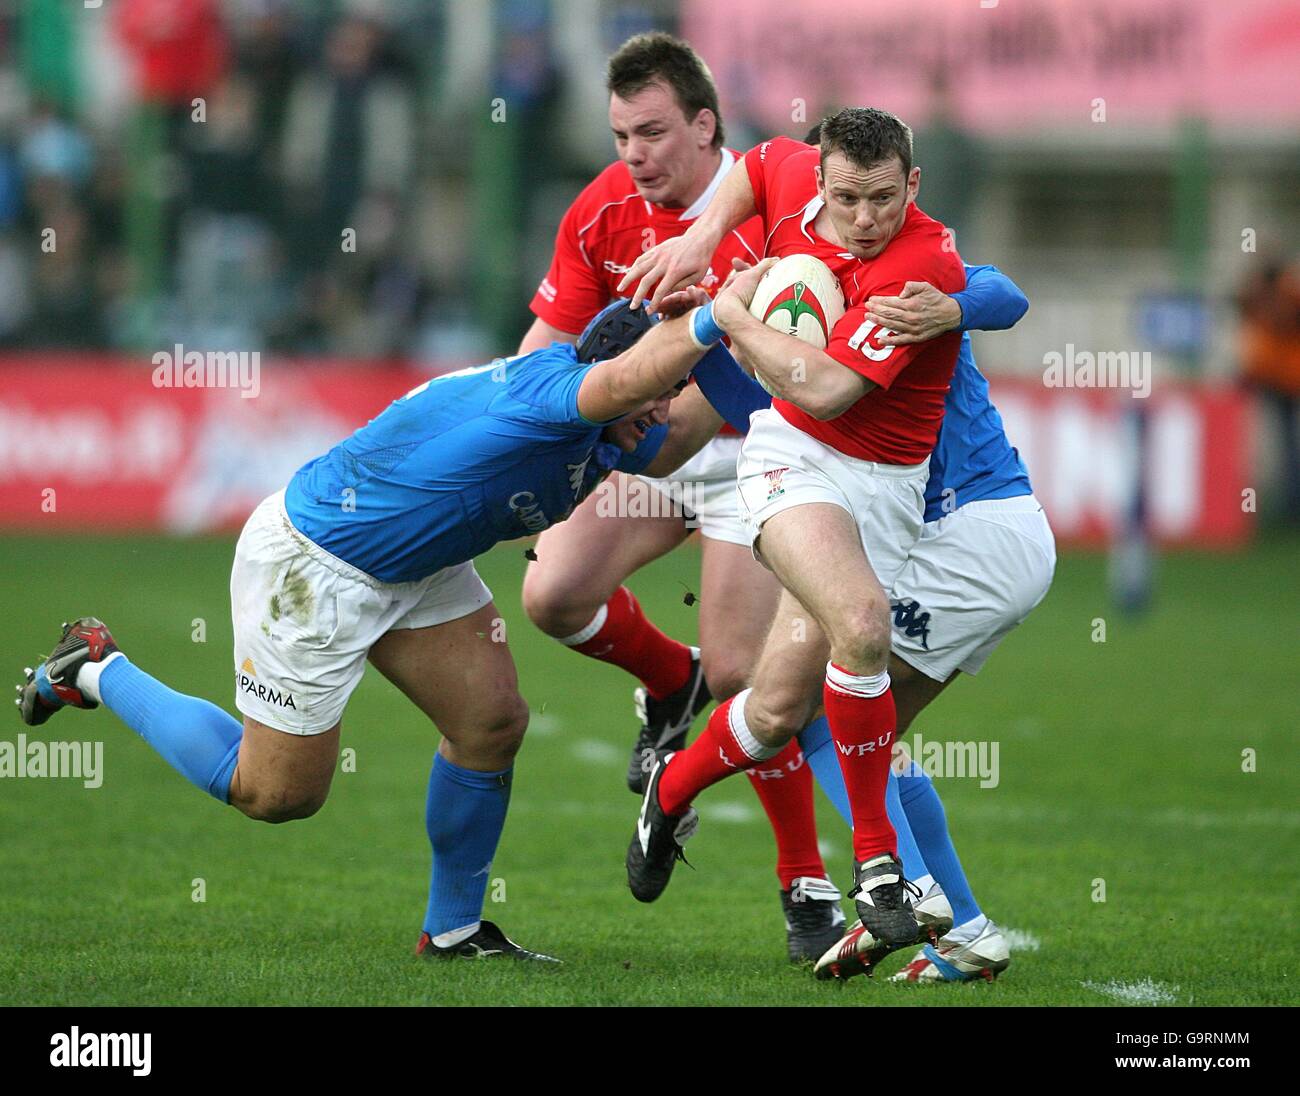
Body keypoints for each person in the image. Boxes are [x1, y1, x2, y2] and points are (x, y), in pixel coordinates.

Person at [13, 284, 757, 964]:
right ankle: (95, 667)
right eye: (659, 391)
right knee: (275, 795)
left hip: (418, 565)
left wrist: (753, 348)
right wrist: (713, 314)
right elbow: (627, 384)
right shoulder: (559, 393)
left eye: (671, 392)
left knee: (492, 722)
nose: (662, 408)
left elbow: (672, 439)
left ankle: (453, 932)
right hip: (317, 564)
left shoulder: (615, 421)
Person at [517, 32, 845, 962]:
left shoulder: (781, 208)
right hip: (647, 451)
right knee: (552, 594)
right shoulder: (600, 208)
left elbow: (749, 394)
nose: (634, 154)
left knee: (747, 676)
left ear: (706, 126)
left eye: (652, 133)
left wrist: (666, 414)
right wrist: (513, 445)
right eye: (621, 135)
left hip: (753, 460)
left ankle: (804, 883)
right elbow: (542, 353)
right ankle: (671, 679)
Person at [619, 106, 966, 958]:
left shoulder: (922, 265)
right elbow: (754, 168)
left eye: (884, 198)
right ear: (819, 180)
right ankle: (879, 865)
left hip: (884, 488)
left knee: (776, 709)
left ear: (913, 185)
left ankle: (670, 790)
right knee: (864, 626)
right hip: (790, 461)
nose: (865, 218)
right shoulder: (786, 170)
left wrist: (731, 317)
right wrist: (704, 238)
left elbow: (827, 388)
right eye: (847, 198)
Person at [690, 263, 1055, 980]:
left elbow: (1006, 294)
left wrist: (951, 308)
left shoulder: (894, 284)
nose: (862, 217)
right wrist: (699, 344)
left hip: (969, 536)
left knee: (823, 710)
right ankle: (957, 932)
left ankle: (919, 902)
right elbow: (778, 412)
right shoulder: (836, 302)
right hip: (990, 536)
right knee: (868, 737)